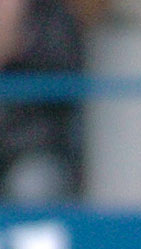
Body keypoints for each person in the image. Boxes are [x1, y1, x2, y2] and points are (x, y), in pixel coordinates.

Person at [0, 0, 83, 202]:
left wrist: (16, 40)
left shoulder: (50, 17)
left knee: (32, 187)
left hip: (33, 147)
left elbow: (63, 77)